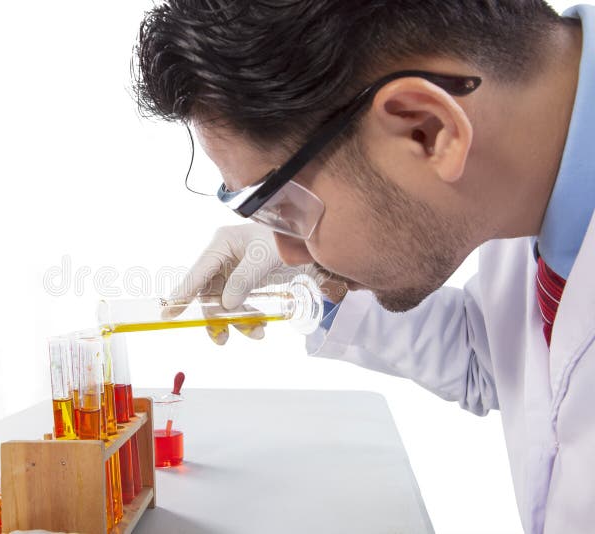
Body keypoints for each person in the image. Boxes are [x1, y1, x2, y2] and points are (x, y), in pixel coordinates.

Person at [132, 1, 595, 533]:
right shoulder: (523, 164)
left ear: (425, 129)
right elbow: (503, 360)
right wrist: (320, 279)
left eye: (286, 207)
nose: (287, 252)